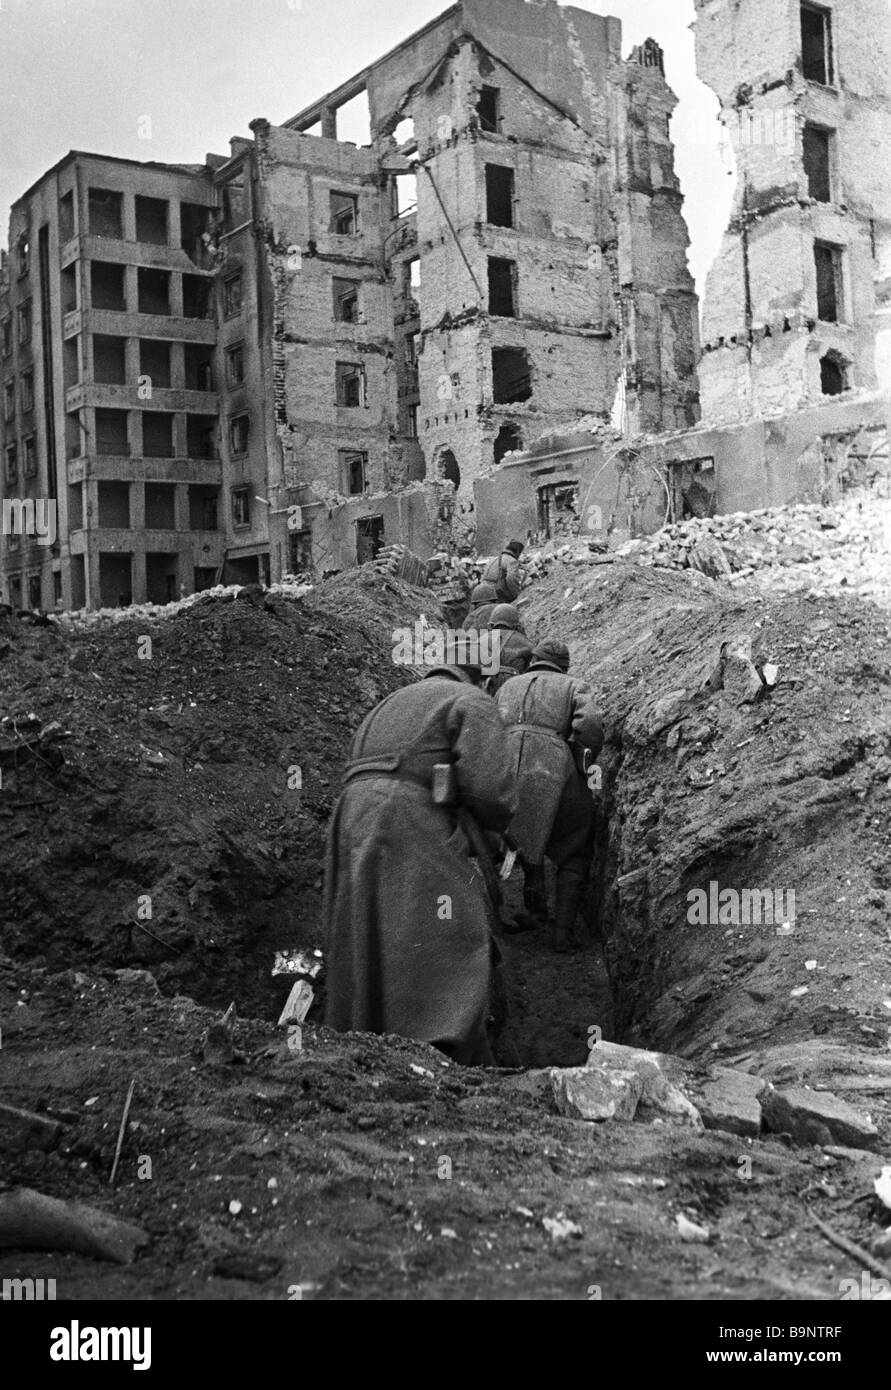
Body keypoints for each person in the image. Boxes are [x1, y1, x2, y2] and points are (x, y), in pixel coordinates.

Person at [323, 661, 517, 1064]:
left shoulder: (390, 702)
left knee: (370, 930)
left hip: (351, 818)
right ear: (480, 677)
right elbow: (489, 790)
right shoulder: (470, 700)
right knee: (446, 929)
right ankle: (442, 1046)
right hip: (406, 814)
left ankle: (367, 1038)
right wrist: (494, 831)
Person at [495, 639, 603, 952]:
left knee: (525, 838)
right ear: (564, 666)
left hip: (506, 764)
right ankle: (563, 932)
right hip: (552, 764)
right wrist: (583, 762)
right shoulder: (574, 685)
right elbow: (591, 725)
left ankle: (535, 911)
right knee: (574, 845)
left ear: (534, 661)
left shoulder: (509, 685)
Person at [484, 604, 534, 694]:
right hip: (515, 692)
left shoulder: (478, 641)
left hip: (486, 693)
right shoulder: (525, 642)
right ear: (516, 626)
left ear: (490, 625)